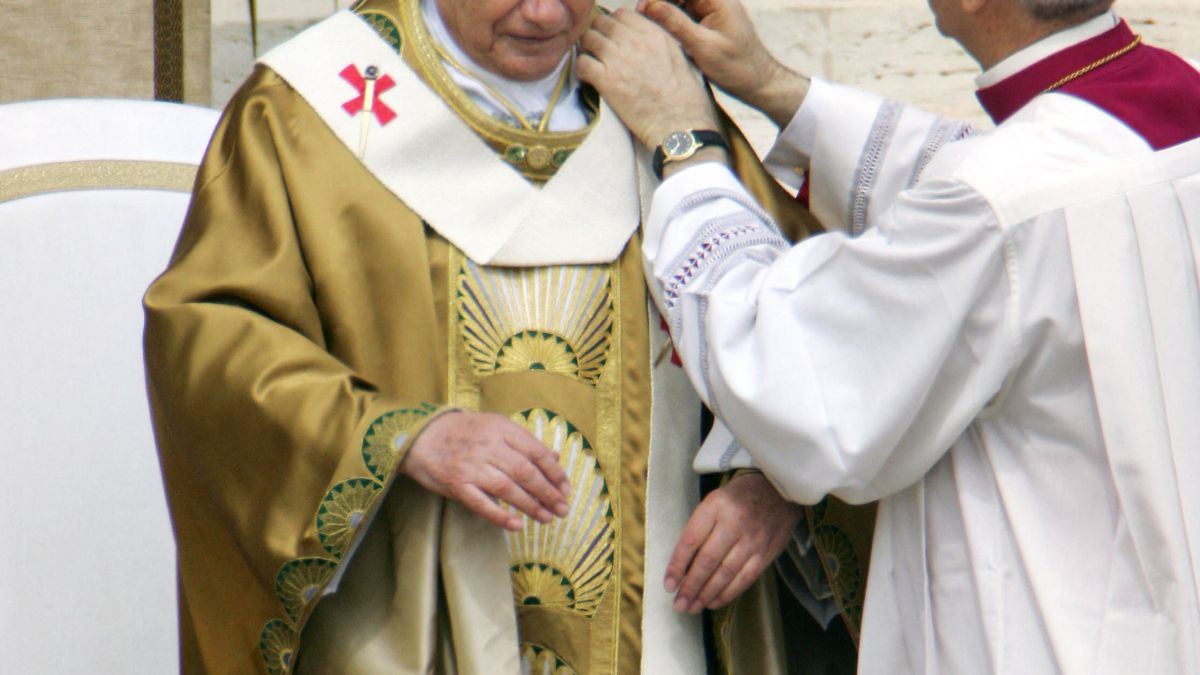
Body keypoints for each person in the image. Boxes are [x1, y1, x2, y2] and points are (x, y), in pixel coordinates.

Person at [142, 0, 830, 673]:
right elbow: (210, 339)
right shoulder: (309, 111)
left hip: (656, 629)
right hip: (412, 631)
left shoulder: (657, 95)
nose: (545, 16)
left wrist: (770, 478)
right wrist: (399, 435)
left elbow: (816, 324)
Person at [577, 0, 1200, 672]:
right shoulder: (1174, 99)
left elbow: (791, 373)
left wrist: (684, 140)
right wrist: (773, 86)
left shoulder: (993, 203)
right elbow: (998, 186)